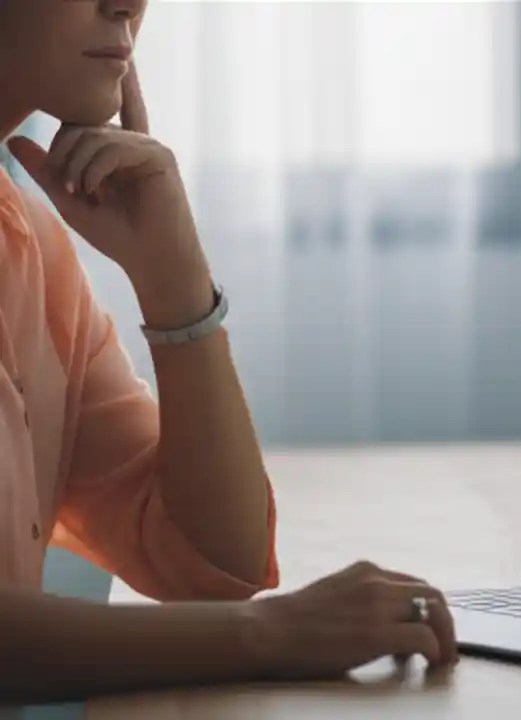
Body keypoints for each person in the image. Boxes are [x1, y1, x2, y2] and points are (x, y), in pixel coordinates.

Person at [0, 0, 457, 702]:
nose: (129, 4)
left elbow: (216, 562)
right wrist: (278, 633)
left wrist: (173, 275)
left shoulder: (29, 239)